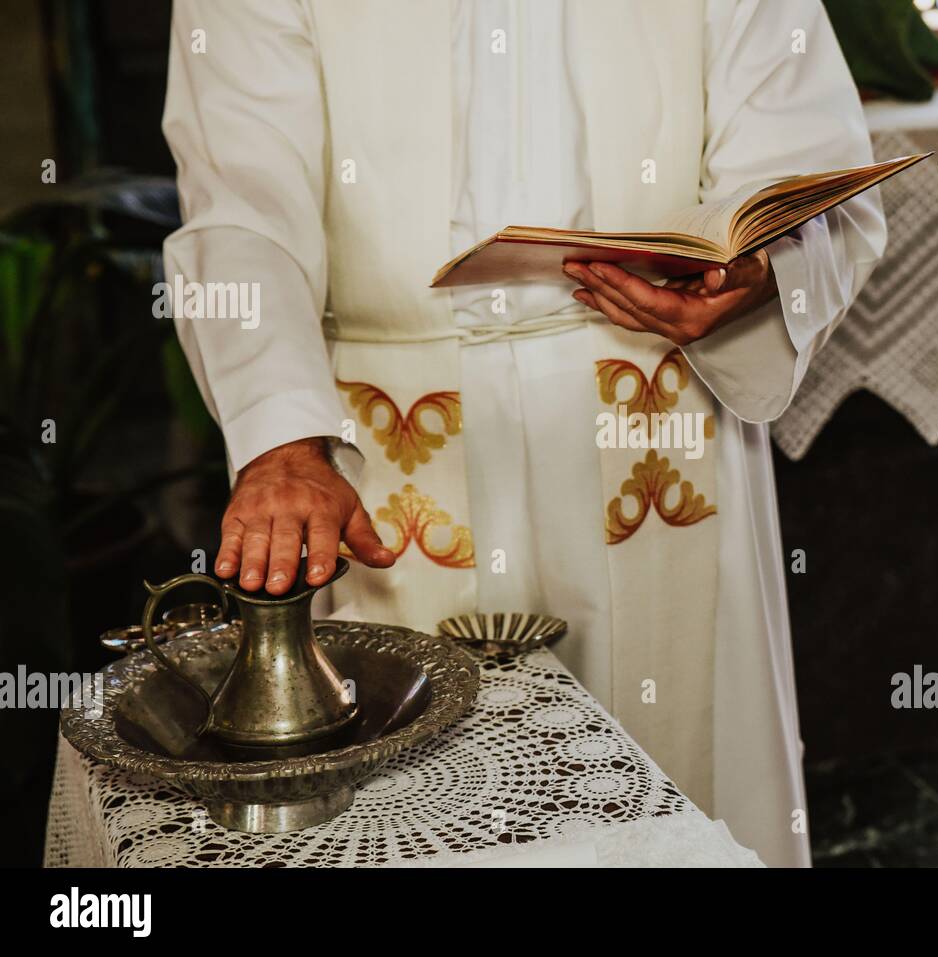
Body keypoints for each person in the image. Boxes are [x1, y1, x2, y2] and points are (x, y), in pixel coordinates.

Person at [162, 0, 885, 867]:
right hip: (386, 445)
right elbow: (240, 206)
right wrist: (282, 441)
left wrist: (763, 264)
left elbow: (805, 157)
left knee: (688, 796)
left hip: (656, 417)